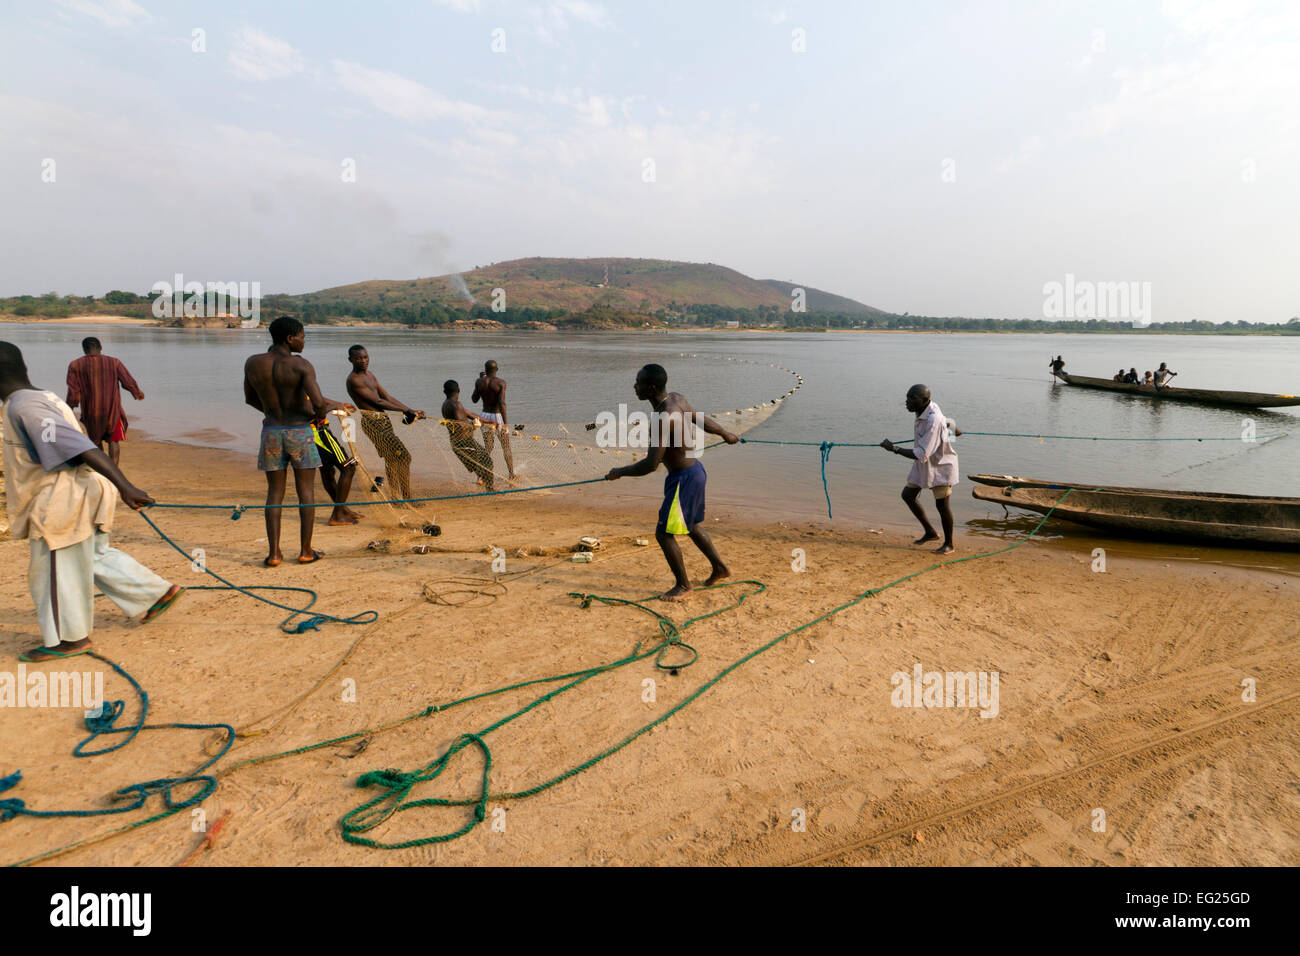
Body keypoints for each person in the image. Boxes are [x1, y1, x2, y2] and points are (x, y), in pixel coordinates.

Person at [2, 341, 182, 662]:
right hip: (82, 491)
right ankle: (154, 593)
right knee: (93, 556)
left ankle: (70, 639)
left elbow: (79, 447)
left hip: (61, 499)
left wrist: (126, 486)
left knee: (53, 571)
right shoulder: (41, 397)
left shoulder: (24, 407)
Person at [605, 363, 739, 601]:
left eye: (638, 383)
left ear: (651, 387)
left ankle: (683, 586)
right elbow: (701, 420)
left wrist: (620, 471)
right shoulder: (677, 399)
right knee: (692, 526)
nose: (634, 386)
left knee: (664, 533)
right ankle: (720, 568)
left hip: (683, 480)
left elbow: (650, 464)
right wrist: (724, 433)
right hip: (696, 471)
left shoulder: (662, 418)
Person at [243, 316, 346, 566]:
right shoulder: (301, 366)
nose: (304, 341)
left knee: (274, 493)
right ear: (290, 338)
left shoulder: (253, 363)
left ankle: (274, 554)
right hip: (299, 432)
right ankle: (306, 551)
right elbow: (319, 403)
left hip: (271, 432)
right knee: (306, 492)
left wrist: (272, 413)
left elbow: (250, 399)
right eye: (302, 336)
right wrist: (318, 416)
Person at [880, 384, 962, 555]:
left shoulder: (933, 419)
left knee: (942, 505)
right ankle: (930, 532)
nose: (907, 402)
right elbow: (949, 425)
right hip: (925, 464)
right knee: (908, 495)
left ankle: (949, 544)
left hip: (941, 465)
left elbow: (922, 453)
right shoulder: (929, 407)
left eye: (912, 399)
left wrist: (893, 449)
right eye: (907, 398)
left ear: (924, 400)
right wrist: (953, 429)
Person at [345, 345, 423, 502]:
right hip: (373, 423)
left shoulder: (370, 375)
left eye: (365, 357)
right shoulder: (353, 380)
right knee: (404, 457)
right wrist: (406, 411)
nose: (363, 361)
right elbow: (377, 401)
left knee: (392, 458)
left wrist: (410, 410)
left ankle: (396, 497)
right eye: (359, 358)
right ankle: (405, 497)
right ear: (351, 360)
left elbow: (387, 397)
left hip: (383, 421)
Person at [65, 337, 144, 465]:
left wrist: (69, 408)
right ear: (101, 347)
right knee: (113, 440)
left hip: (91, 411)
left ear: (84, 349)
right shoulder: (114, 362)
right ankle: (114, 470)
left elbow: (73, 391)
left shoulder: (75, 365)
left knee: (96, 442)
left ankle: (103, 470)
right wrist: (137, 393)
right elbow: (127, 381)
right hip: (112, 410)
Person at [440, 380, 496, 492]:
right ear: (459, 390)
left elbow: (469, 414)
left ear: (444, 392)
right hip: (465, 442)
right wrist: (474, 425)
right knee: (487, 462)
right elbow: (462, 427)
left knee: (480, 465)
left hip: (457, 442)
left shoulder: (447, 404)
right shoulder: (456, 405)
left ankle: (487, 486)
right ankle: (490, 490)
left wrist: (489, 421)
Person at [311, 408, 363, 525]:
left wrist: (339, 405)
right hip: (320, 434)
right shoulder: (301, 390)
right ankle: (337, 515)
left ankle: (342, 509)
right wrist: (336, 405)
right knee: (348, 468)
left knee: (327, 471)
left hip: (310, 435)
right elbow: (317, 406)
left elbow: (317, 401)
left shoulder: (292, 391)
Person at [472, 359, 515, 481]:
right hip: (497, 417)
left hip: (484, 416)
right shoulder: (501, 383)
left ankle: (480, 476)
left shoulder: (479, 382)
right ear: (497, 370)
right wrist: (505, 424)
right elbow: (502, 404)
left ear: (485, 370)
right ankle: (511, 475)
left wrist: (480, 382)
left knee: (488, 447)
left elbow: (474, 399)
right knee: (506, 447)